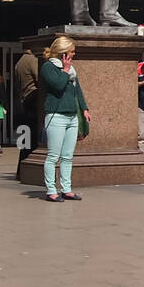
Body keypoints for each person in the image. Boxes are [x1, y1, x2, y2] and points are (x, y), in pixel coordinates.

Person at [39, 34, 91, 202]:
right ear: (62, 52)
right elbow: (58, 85)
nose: (74, 54)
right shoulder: (48, 67)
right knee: (54, 156)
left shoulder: (71, 69)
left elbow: (78, 90)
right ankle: (51, 190)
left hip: (72, 116)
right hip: (56, 116)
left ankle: (66, 189)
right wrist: (66, 70)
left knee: (68, 156)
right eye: (72, 51)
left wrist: (84, 109)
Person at [15, 47, 39, 160]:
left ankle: (22, 165)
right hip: (33, 97)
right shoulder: (32, 59)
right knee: (33, 135)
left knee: (27, 138)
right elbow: (39, 78)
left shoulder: (20, 61)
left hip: (25, 98)